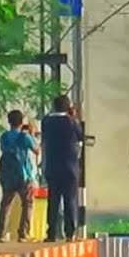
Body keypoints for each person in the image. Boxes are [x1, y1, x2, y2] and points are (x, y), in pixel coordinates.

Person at [40, 94, 84, 242]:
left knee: (53, 201)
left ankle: (51, 233)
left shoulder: (46, 121)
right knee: (69, 201)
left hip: (52, 167)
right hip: (70, 168)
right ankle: (70, 233)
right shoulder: (72, 122)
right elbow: (80, 136)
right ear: (68, 107)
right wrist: (74, 116)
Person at [0, 109, 40, 243]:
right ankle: (23, 233)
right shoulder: (25, 137)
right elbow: (37, 150)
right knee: (27, 203)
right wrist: (32, 134)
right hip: (23, 175)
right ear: (21, 122)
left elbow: (4, 150)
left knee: (6, 204)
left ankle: (1, 234)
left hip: (7, 175)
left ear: (9, 122)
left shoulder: (3, 137)